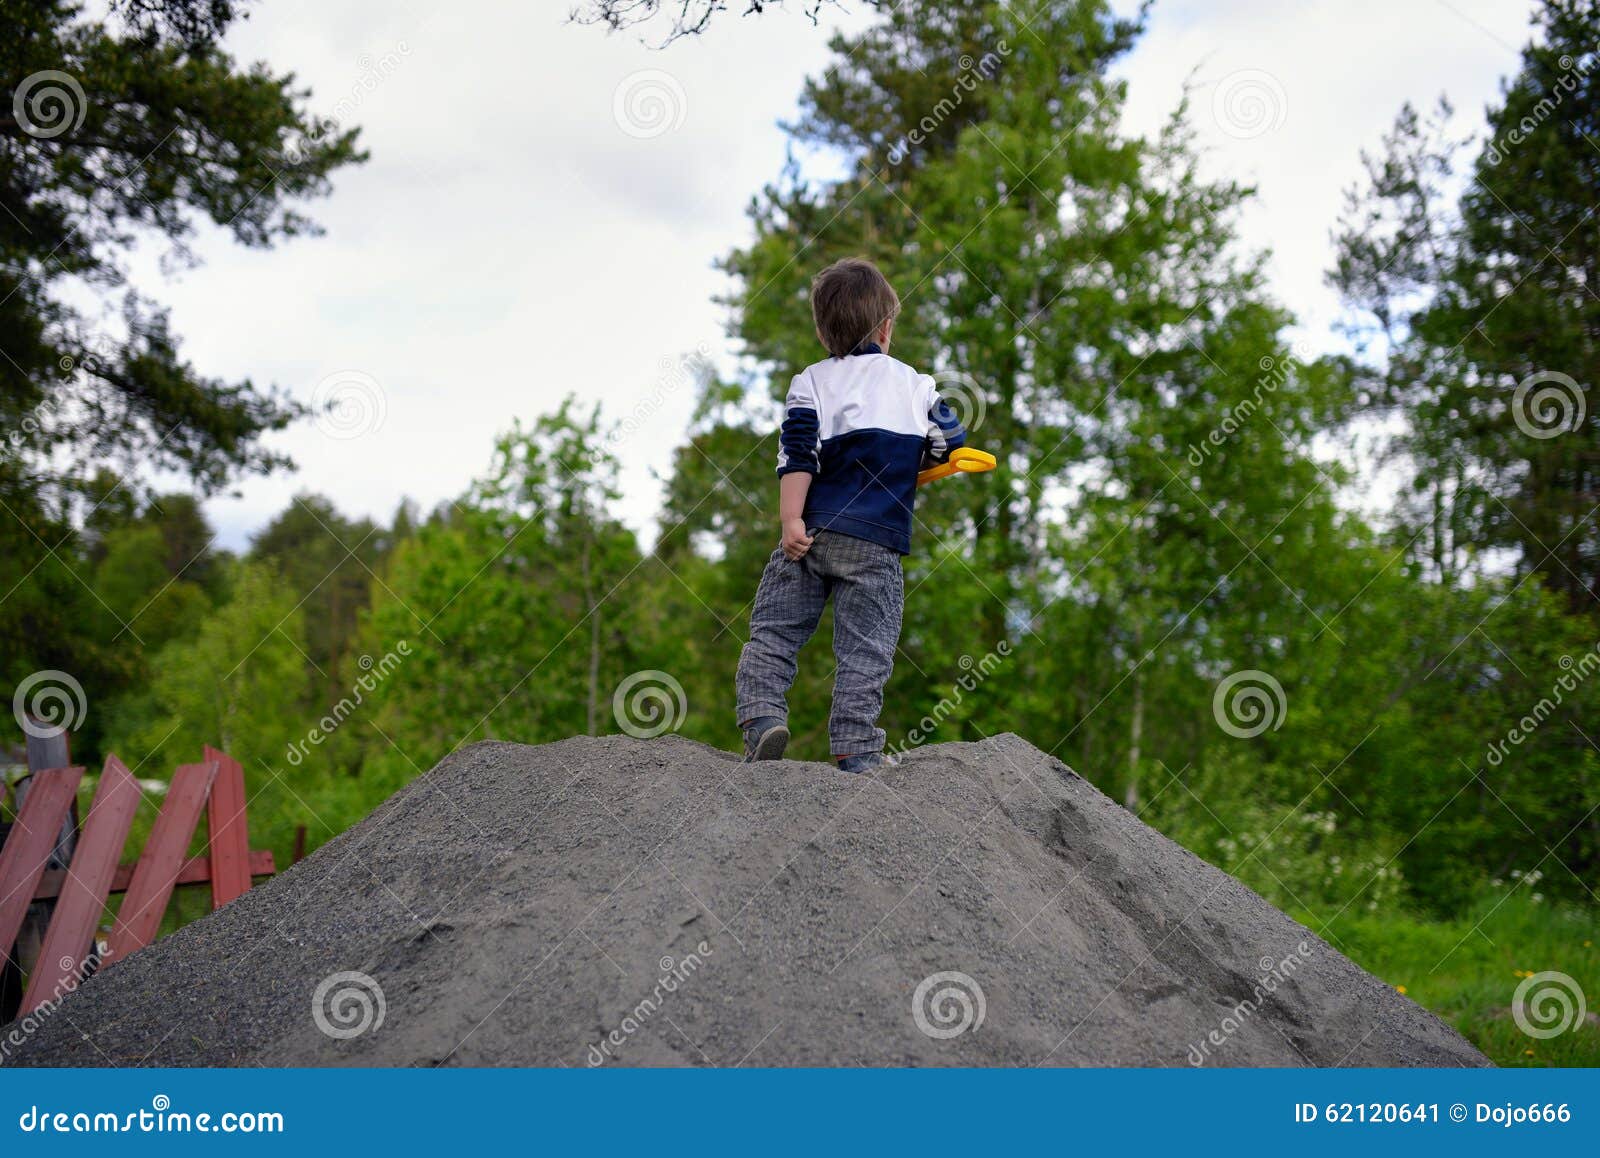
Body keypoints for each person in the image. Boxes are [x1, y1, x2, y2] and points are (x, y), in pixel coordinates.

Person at [734, 257, 965, 773]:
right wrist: (920, 459)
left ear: (823, 331)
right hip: (877, 544)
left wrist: (790, 520)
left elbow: (798, 453)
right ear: (886, 327)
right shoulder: (917, 386)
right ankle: (857, 749)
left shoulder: (810, 382)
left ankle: (761, 718)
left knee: (774, 632)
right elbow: (952, 440)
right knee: (866, 653)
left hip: (811, 534)